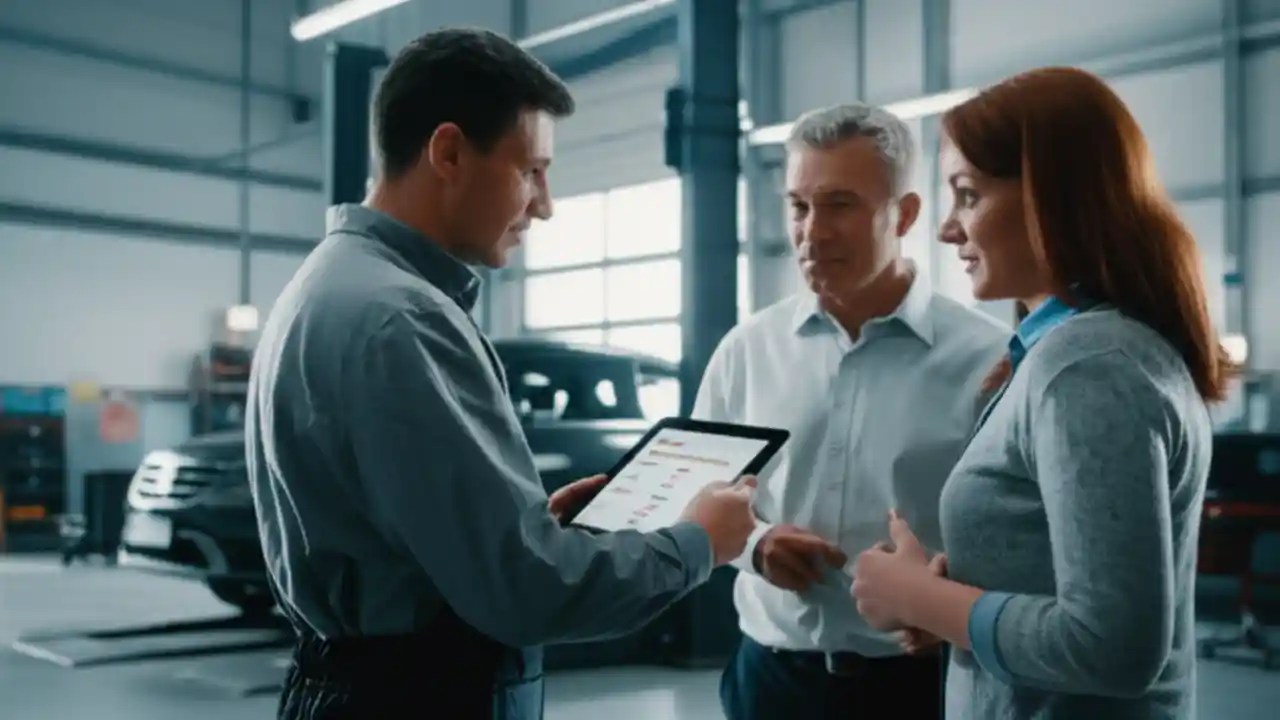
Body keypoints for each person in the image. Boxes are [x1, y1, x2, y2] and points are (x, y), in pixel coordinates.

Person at [245, 28, 758, 720]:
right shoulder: (403, 318)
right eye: (532, 171)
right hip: (416, 699)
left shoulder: (330, 284)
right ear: (449, 153)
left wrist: (529, 526)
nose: (544, 204)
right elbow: (527, 594)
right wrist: (697, 542)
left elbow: (405, 540)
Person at [850, 66, 1227, 719]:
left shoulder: (1088, 366)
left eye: (968, 195)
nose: (947, 229)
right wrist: (952, 608)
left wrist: (921, 599)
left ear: (1054, 198)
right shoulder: (1077, 354)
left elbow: (1113, 648)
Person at [692, 103, 1008, 720]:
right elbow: (699, 495)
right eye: (798, 206)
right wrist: (756, 544)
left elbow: (1019, 534)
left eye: (839, 205)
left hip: (922, 689)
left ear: (905, 214)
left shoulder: (987, 359)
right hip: (770, 684)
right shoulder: (746, 351)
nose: (813, 232)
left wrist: (951, 604)